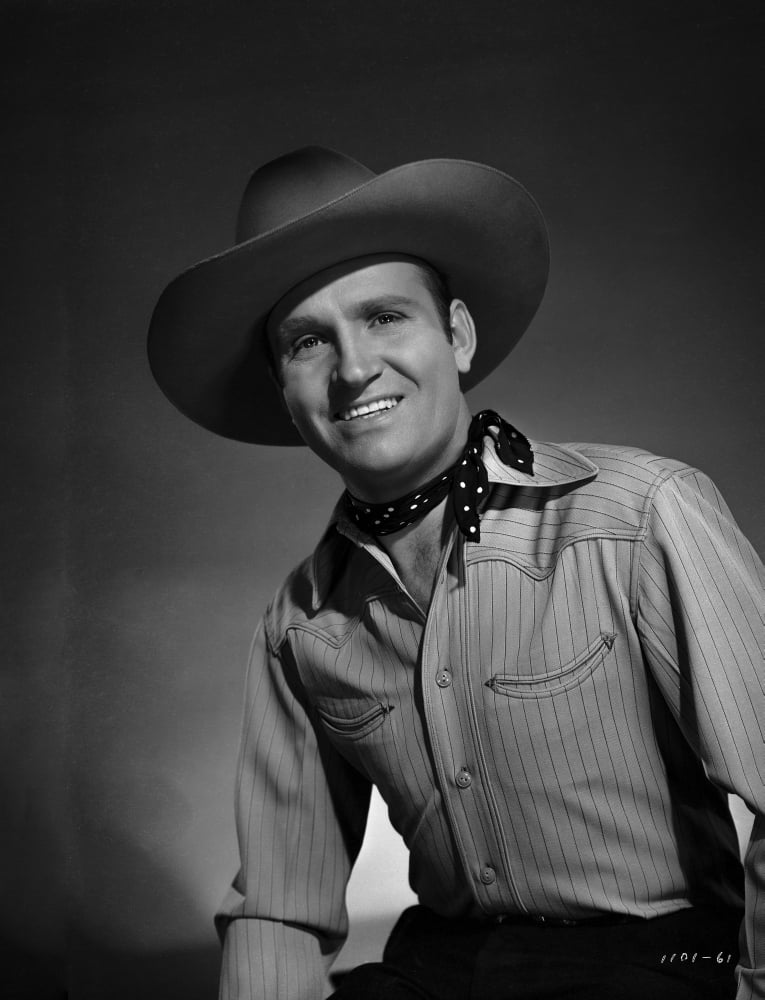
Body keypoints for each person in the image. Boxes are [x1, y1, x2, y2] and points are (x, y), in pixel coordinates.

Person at [147, 146, 764, 1000]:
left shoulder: (639, 516)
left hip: (656, 963)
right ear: (282, 388)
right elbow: (279, 912)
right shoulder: (299, 626)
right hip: (438, 969)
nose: (353, 368)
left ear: (458, 336)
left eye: (383, 316)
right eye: (307, 341)